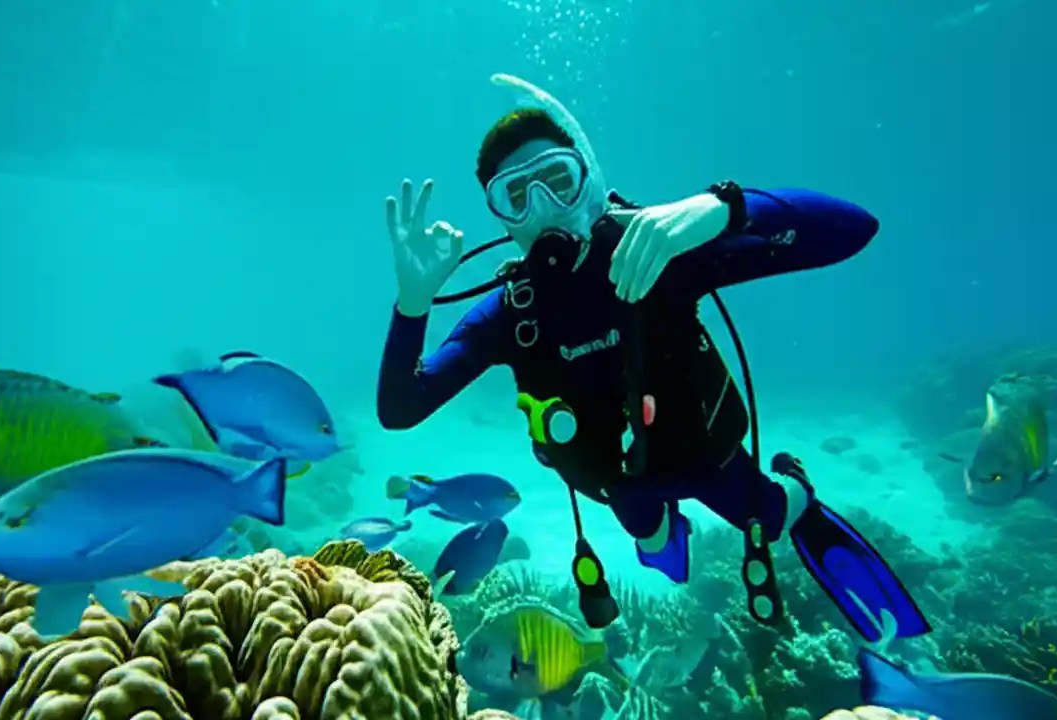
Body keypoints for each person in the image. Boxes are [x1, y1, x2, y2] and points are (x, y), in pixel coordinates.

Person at [376, 74, 929, 641]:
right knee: (652, 539)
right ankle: (666, 535)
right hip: (620, 487)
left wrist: (726, 207)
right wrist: (413, 304)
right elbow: (400, 409)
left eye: (558, 179)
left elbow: (853, 229)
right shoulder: (512, 314)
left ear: (588, 178)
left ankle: (798, 489)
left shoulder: (662, 251)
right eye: (516, 196)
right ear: (503, 218)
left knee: (766, 517)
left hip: (708, 456)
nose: (543, 208)